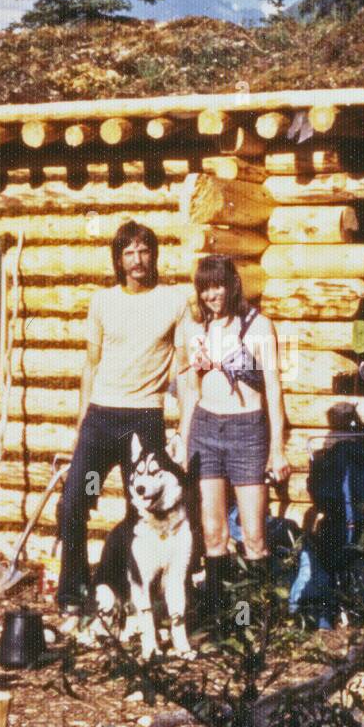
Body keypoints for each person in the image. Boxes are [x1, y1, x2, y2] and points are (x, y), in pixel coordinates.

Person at [55, 221, 189, 619]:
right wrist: (82, 423)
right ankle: (74, 594)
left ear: (154, 256)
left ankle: (123, 589)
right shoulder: (102, 302)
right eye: (129, 252)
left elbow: (183, 369)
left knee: (141, 515)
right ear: (118, 260)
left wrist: (183, 425)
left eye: (144, 251)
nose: (137, 259)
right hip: (100, 418)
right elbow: (90, 364)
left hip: (144, 419)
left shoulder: (174, 301)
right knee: (73, 503)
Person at [175, 255, 292, 610]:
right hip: (206, 429)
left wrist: (277, 448)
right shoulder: (197, 330)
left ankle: (256, 621)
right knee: (213, 533)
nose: (213, 294)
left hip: (247, 433)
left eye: (219, 285)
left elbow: (273, 388)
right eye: (206, 288)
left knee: (254, 536)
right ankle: (219, 618)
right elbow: (190, 390)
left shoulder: (258, 326)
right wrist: (183, 440)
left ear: (232, 285)